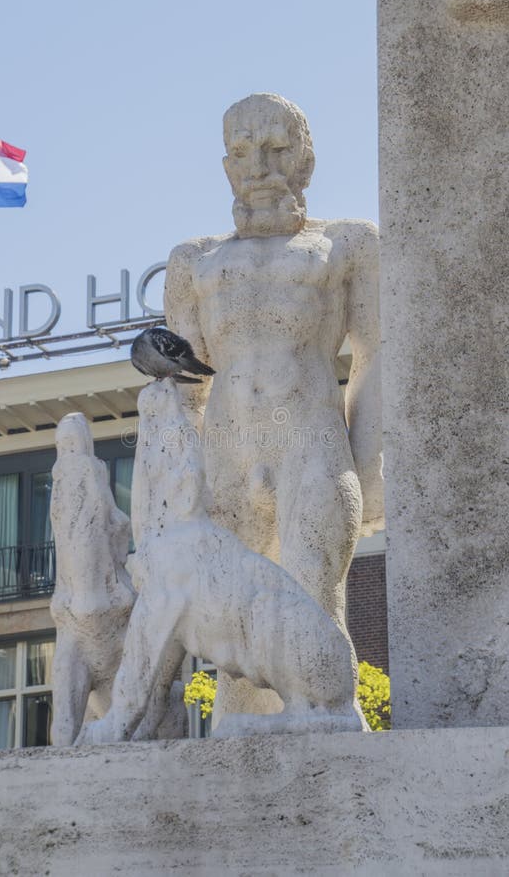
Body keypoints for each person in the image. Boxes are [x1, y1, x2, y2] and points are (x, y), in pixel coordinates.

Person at [164, 92, 383, 723]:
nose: (259, 166)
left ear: (305, 161)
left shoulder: (348, 246)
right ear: (226, 166)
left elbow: (378, 359)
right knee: (235, 624)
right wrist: (176, 488)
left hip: (312, 446)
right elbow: (183, 391)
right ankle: (237, 744)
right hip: (228, 454)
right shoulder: (193, 262)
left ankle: (329, 722)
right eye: (242, 152)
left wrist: (372, 467)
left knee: (315, 598)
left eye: (276, 148)